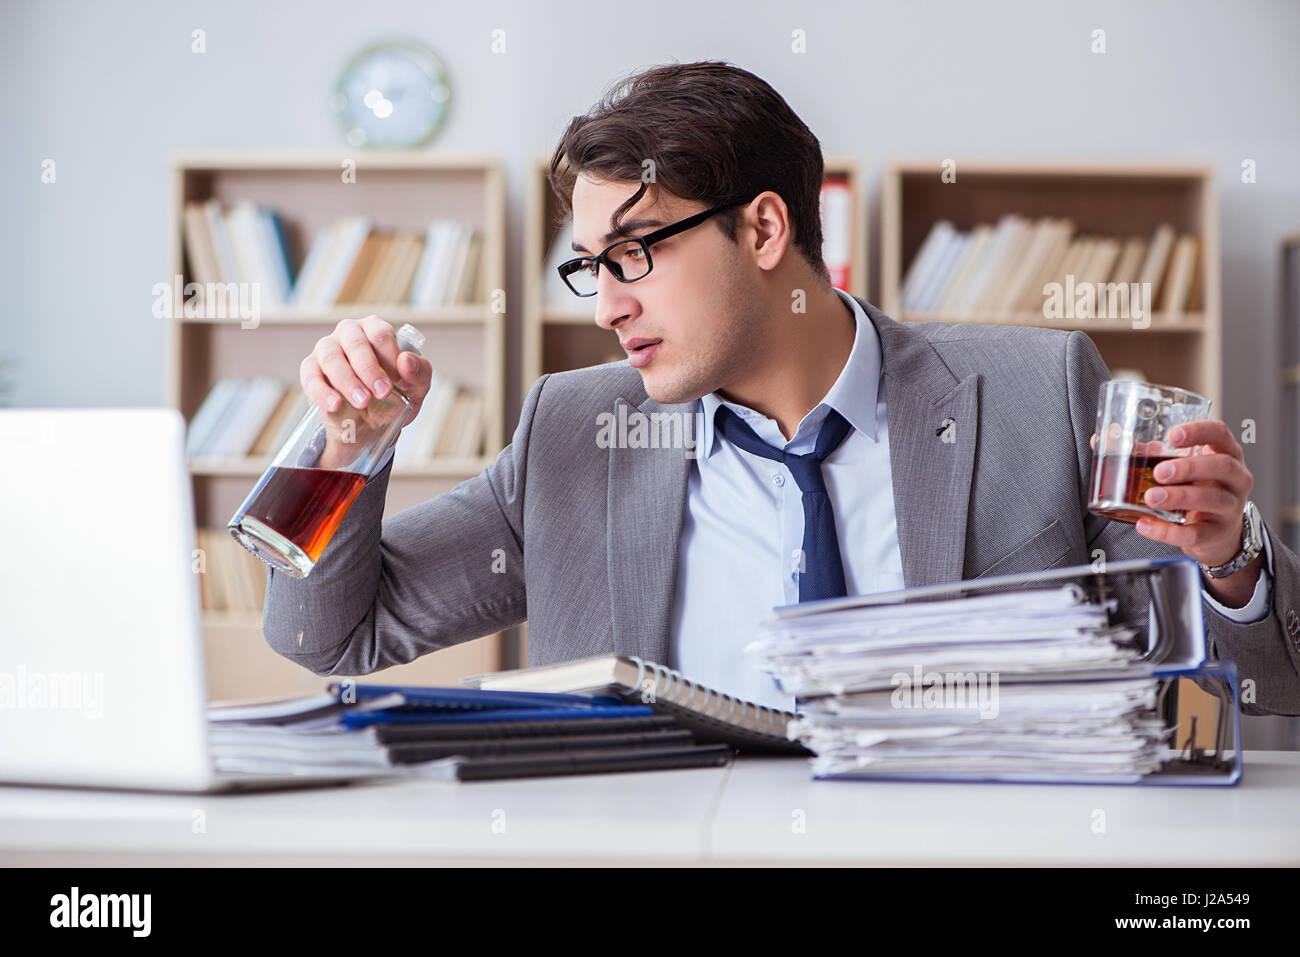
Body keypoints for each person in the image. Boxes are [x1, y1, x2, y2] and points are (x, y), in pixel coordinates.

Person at [264, 60, 1299, 716]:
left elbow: (1251, 689)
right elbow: (327, 638)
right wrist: (345, 448)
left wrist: (1229, 563)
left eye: (633, 252)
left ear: (762, 229)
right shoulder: (572, 434)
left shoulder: (1037, 390)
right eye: (591, 265)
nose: (605, 304)